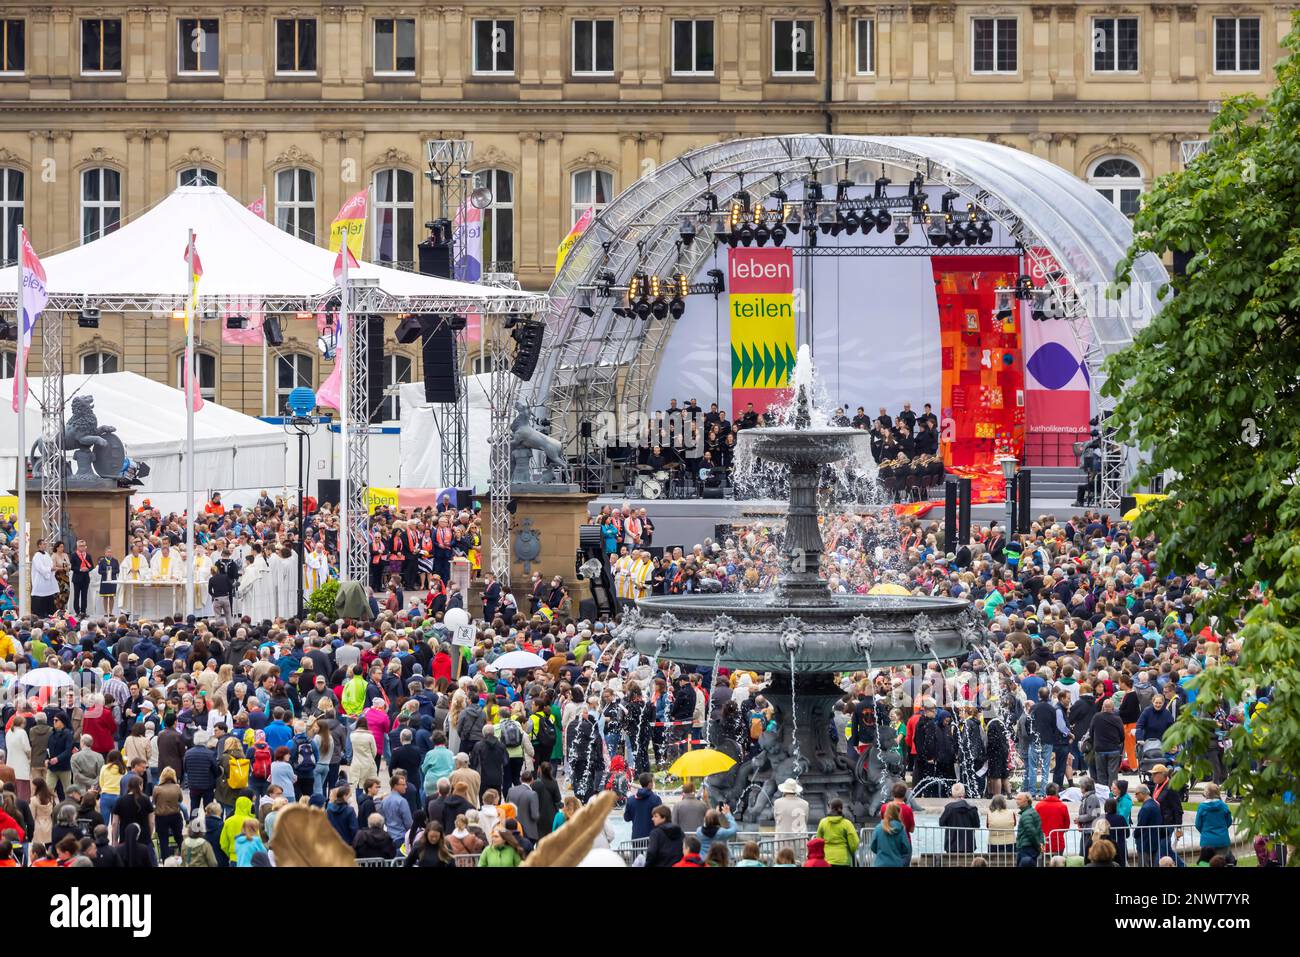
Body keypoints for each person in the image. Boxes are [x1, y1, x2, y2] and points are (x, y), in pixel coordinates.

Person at [1194, 783, 1233, 864]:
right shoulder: (1223, 806)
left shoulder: (1201, 807)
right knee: (1222, 863)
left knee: (1205, 864)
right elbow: (1229, 821)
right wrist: (1222, 829)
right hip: (1222, 839)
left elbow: (1198, 824)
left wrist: (1205, 832)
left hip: (1207, 840)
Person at [938, 781, 980, 853]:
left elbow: (941, 823)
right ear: (964, 793)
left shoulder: (949, 808)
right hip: (968, 845)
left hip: (952, 844)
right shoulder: (972, 808)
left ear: (953, 794)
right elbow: (977, 825)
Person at [815, 799, 859, 866]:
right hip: (843, 859)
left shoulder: (823, 822)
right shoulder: (847, 824)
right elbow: (854, 842)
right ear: (841, 808)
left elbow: (818, 840)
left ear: (830, 808)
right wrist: (851, 851)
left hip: (827, 859)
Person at [869, 802, 911, 867]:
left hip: (880, 863)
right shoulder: (901, 829)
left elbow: (873, 846)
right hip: (896, 863)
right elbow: (906, 848)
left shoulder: (878, 828)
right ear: (898, 813)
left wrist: (881, 852)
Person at [622, 771, 661, 841]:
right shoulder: (656, 799)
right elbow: (661, 819)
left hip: (636, 837)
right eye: (653, 781)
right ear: (650, 784)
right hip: (652, 837)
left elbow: (626, 818)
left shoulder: (631, 800)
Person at [1014, 792, 1043, 867]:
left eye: (1019, 799)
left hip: (1027, 848)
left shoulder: (1026, 814)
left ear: (1026, 801)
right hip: (1030, 847)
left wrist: (1037, 846)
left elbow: (1031, 832)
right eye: (1016, 799)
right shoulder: (1031, 812)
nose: (1017, 801)